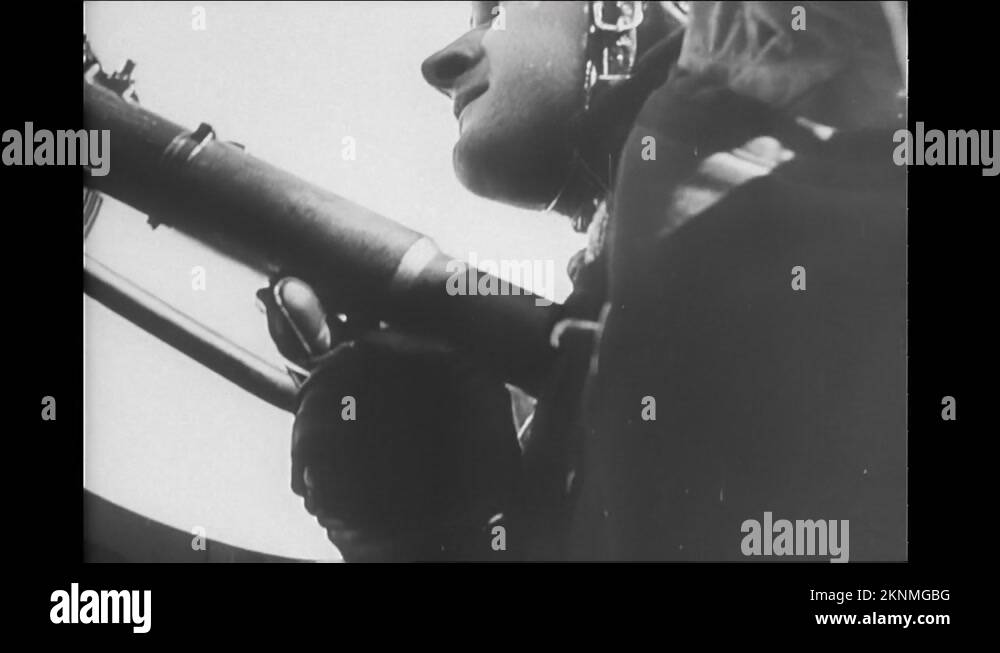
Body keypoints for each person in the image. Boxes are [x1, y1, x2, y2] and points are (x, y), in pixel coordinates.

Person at [261, 1, 908, 561]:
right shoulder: (577, 375)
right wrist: (437, 531)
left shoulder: (784, 71)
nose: (442, 62)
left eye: (496, 11)